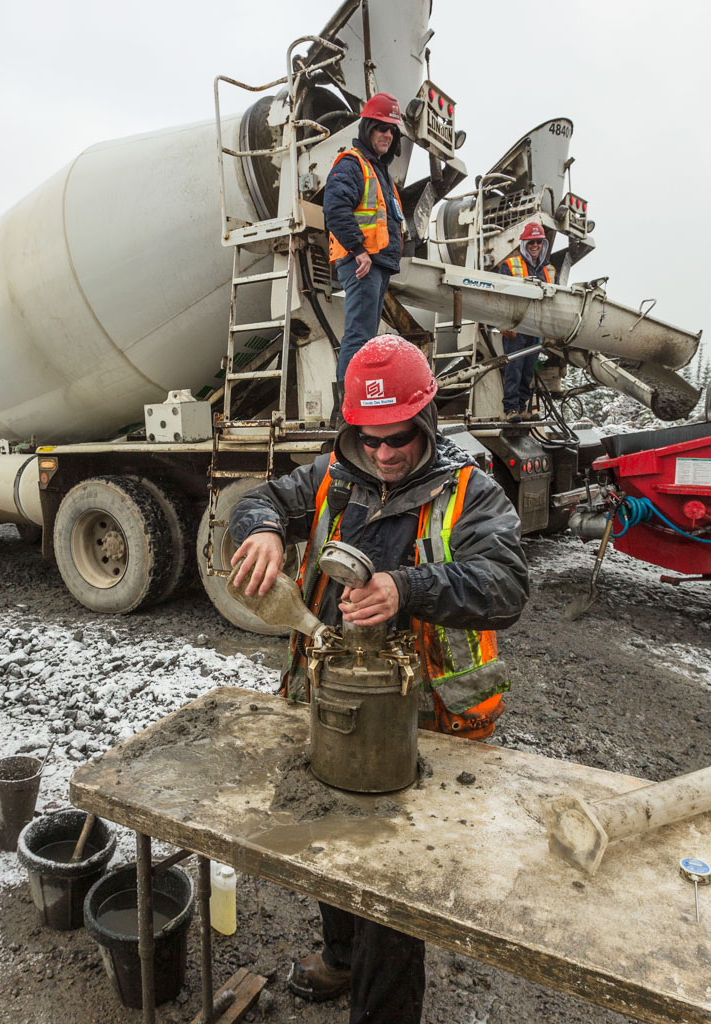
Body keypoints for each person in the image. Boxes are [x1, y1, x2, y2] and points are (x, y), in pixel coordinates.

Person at [228, 335, 529, 1024]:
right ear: (350, 429)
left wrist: (407, 587)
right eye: (370, 439)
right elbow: (261, 496)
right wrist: (267, 526)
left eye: (400, 439)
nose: (385, 454)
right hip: (335, 697)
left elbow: (509, 587)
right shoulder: (334, 474)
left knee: (395, 885)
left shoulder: (470, 492)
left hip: (427, 719)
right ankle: (339, 958)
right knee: (331, 837)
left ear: (427, 422)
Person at [324, 93, 406, 387]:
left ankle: (355, 404)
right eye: (381, 128)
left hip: (376, 263)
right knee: (359, 336)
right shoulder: (352, 164)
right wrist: (359, 250)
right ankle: (348, 408)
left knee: (365, 336)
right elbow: (334, 208)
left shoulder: (378, 170)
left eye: (391, 130)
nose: (387, 134)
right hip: (363, 263)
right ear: (367, 128)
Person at [497, 222, 557, 421]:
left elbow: (553, 301)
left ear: (543, 244)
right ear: (524, 243)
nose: (535, 245)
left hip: (535, 327)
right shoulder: (510, 265)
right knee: (514, 368)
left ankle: (522, 408)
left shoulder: (549, 271)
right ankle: (511, 409)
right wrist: (503, 324)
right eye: (531, 242)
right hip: (516, 326)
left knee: (528, 370)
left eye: (538, 242)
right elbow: (500, 297)